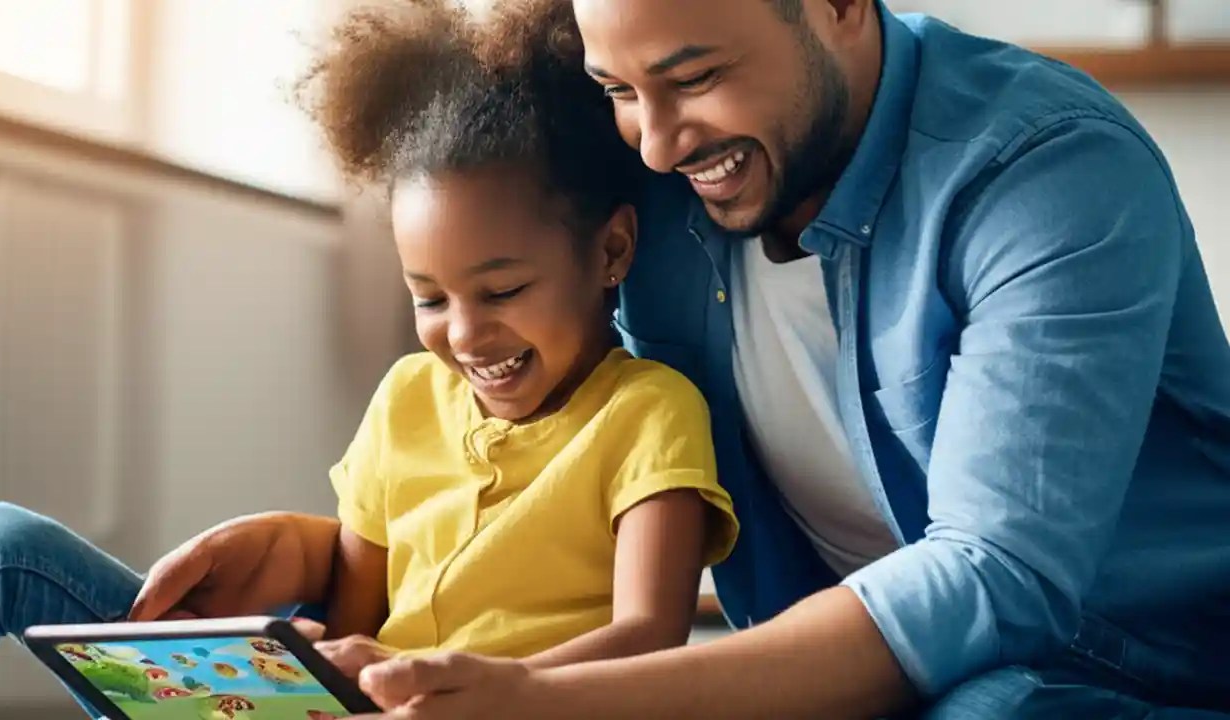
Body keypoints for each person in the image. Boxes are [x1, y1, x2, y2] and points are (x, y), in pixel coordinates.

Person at [336, 0, 1230, 718]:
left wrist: (543, 696)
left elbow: (993, 582)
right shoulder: (656, 181)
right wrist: (314, 553)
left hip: (1119, 672)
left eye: (695, 76)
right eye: (617, 88)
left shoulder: (1046, 170)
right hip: (824, 675)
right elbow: (561, 423)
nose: (655, 142)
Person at [0, 1, 739, 714]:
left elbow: (648, 641)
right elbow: (349, 623)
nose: (463, 336)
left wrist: (499, 689)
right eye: (430, 299)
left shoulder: (650, 412)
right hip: (339, 705)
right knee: (1, 545)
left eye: (501, 292)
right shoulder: (408, 397)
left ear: (611, 249)